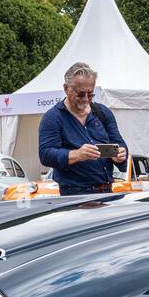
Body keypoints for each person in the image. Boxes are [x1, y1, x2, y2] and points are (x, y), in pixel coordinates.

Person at [38, 62, 128, 196]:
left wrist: (120, 155)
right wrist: (77, 154)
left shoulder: (103, 112)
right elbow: (46, 154)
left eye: (90, 94)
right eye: (80, 94)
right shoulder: (53, 117)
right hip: (74, 195)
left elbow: (119, 144)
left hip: (107, 192)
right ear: (66, 88)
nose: (86, 99)